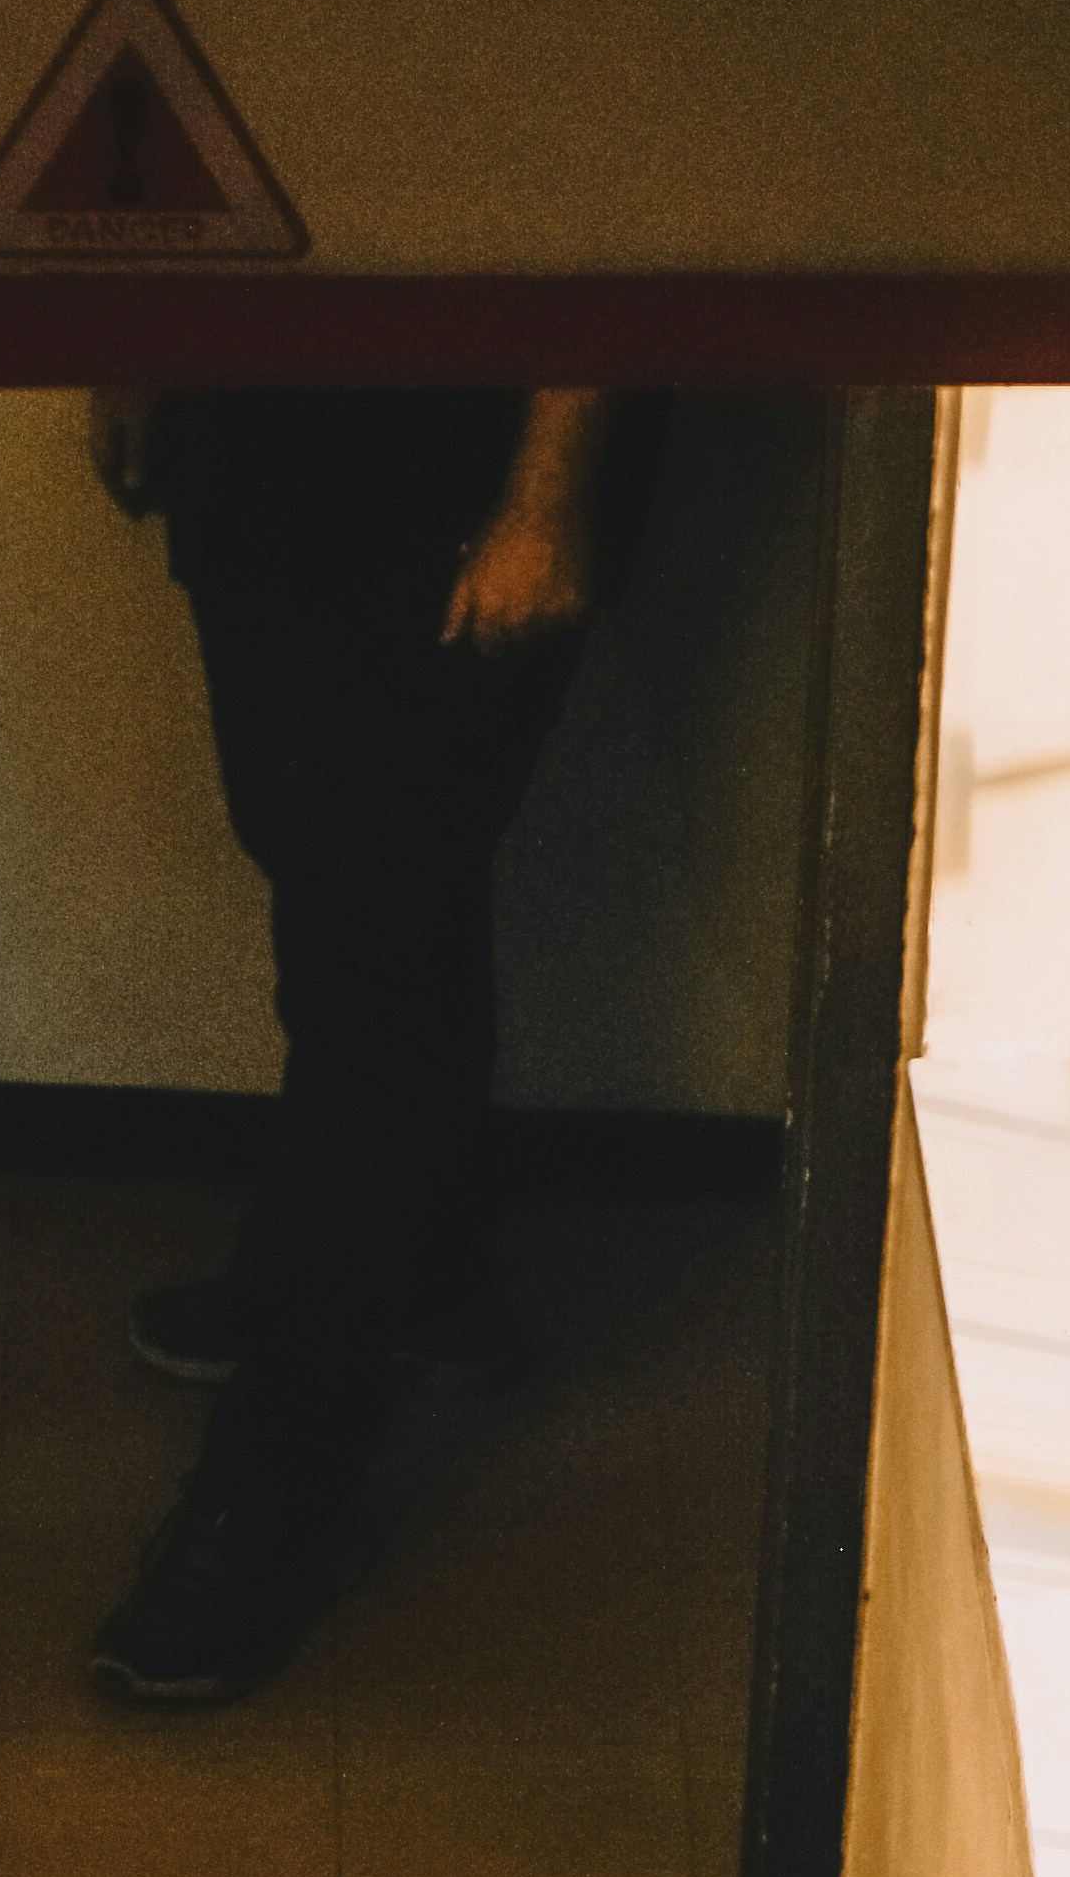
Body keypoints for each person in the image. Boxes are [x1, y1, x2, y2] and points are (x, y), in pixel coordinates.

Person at [84, 378, 656, 1704]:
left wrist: (551, 484)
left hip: (460, 438)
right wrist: (127, 349)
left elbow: (619, 184)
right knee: (332, 850)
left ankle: (286, 1470)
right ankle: (427, 1271)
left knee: (373, 914)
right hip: (270, 409)